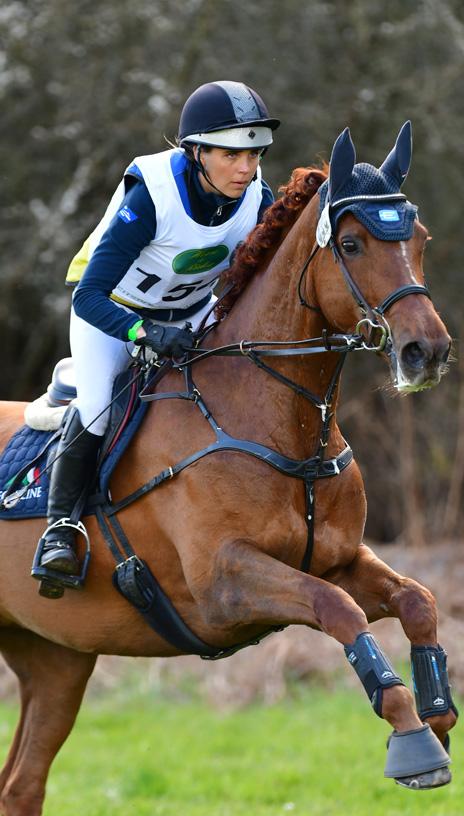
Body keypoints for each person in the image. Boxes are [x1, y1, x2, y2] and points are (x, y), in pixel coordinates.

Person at [34, 80, 280, 598]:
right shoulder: (151, 198)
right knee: (100, 406)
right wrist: (143, 333)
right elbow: (89, 297)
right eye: (232, 155)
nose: (247, 169)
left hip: (191, 314)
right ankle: (60, 528)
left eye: (254, 155)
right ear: (196, 152)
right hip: (114, 314)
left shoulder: (256, 197)